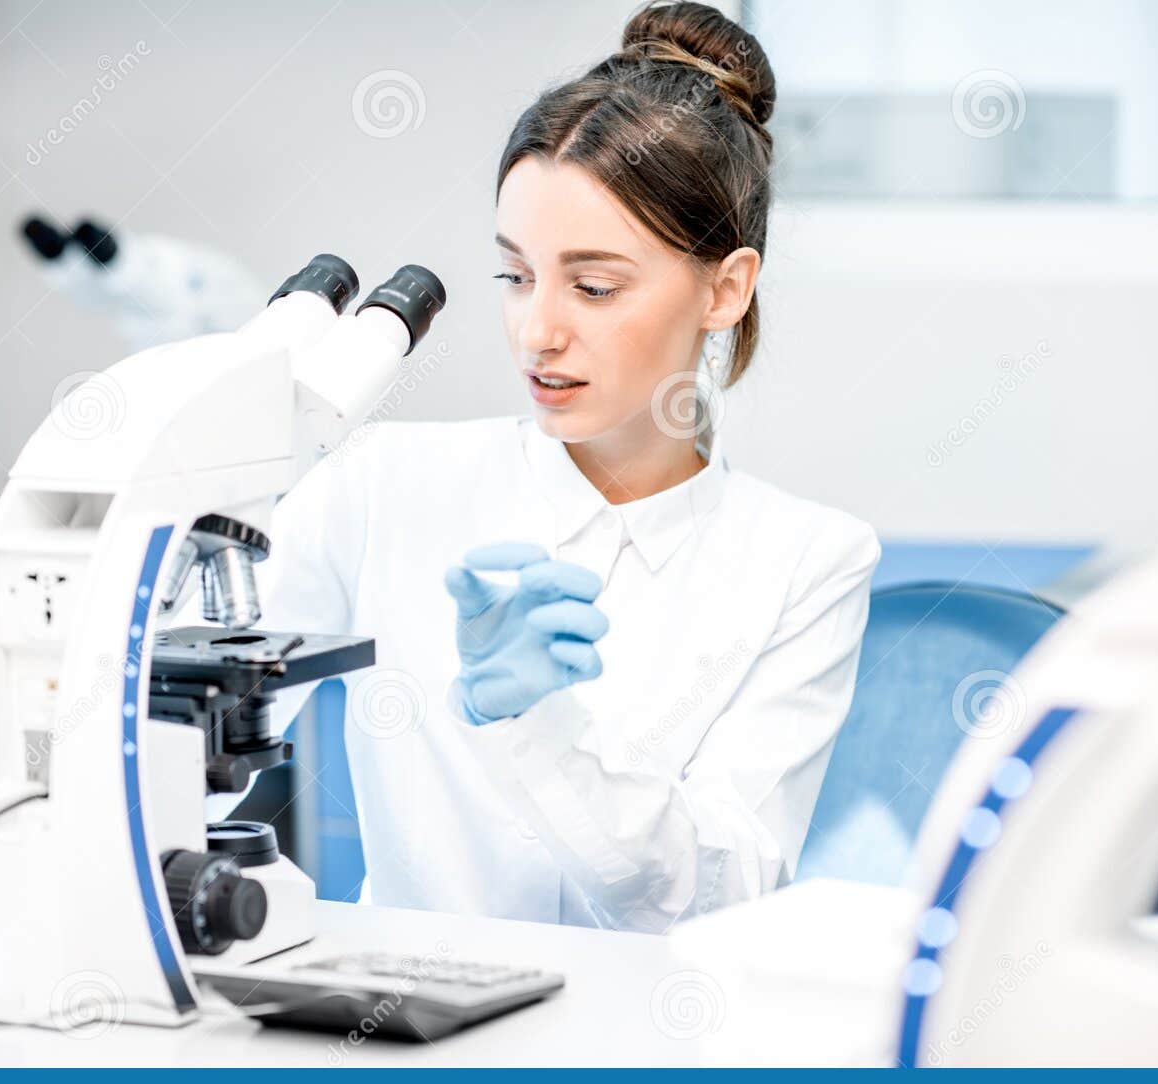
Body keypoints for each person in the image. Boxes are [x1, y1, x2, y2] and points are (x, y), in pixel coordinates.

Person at [242, 1, 880, 933]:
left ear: (724, 287)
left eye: (593, 286)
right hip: (400, 1043)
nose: (538, 330)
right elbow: (181, 734)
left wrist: (541, 730)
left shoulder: (807, 562)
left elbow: (720, 898)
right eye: (515, 276)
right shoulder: (383, 486)